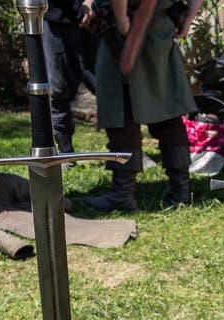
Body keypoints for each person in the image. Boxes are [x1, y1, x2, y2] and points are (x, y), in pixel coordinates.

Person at [81, 0, 204, 211]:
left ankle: (123, 194)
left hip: (124, 32)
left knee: (121, 111)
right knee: (167, 111)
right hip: (161, 29)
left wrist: (121, 20)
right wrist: (189, 16)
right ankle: (180, 190)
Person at [42, 0, 99, 156]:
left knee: (106, 86)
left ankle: (127, 150)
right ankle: (65, 153)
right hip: (52, 19)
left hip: (89, 20)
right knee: (58, 89)